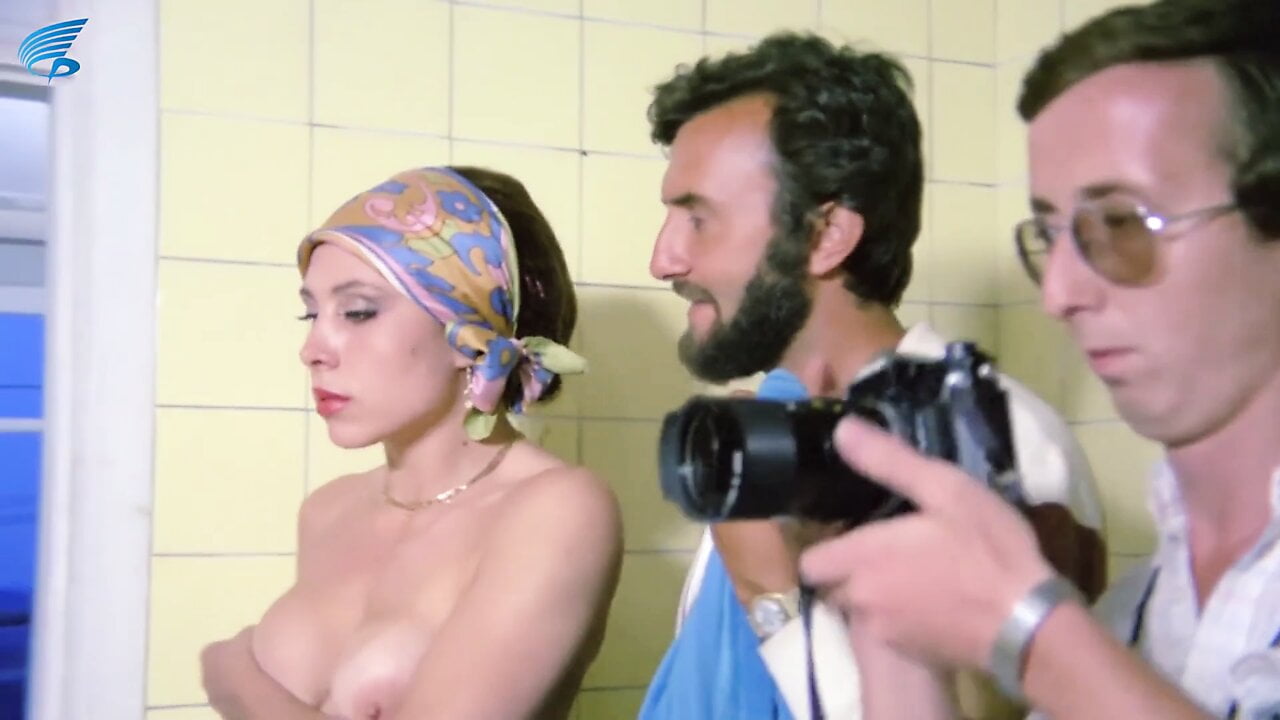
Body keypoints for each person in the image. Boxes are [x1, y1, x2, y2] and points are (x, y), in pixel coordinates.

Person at [800, 0, 1280, 718]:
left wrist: (1027, 631)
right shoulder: (1134, 617)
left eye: (1120, 222)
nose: (1058, 293)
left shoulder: (1070, 641)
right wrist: (892, 629)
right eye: (1050, 235)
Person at [637, 32, 1107, 720]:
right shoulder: (766, 439)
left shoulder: (996, 439)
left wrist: (772, 598)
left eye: (698, 218)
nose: (663, 259)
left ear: (826, 235)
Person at [198, 166, 623, 720]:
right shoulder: (327, 511)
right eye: (311, 312)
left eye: (358, 312)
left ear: (469, 335)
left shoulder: (557, 508)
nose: (313, 349)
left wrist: (234, 679)